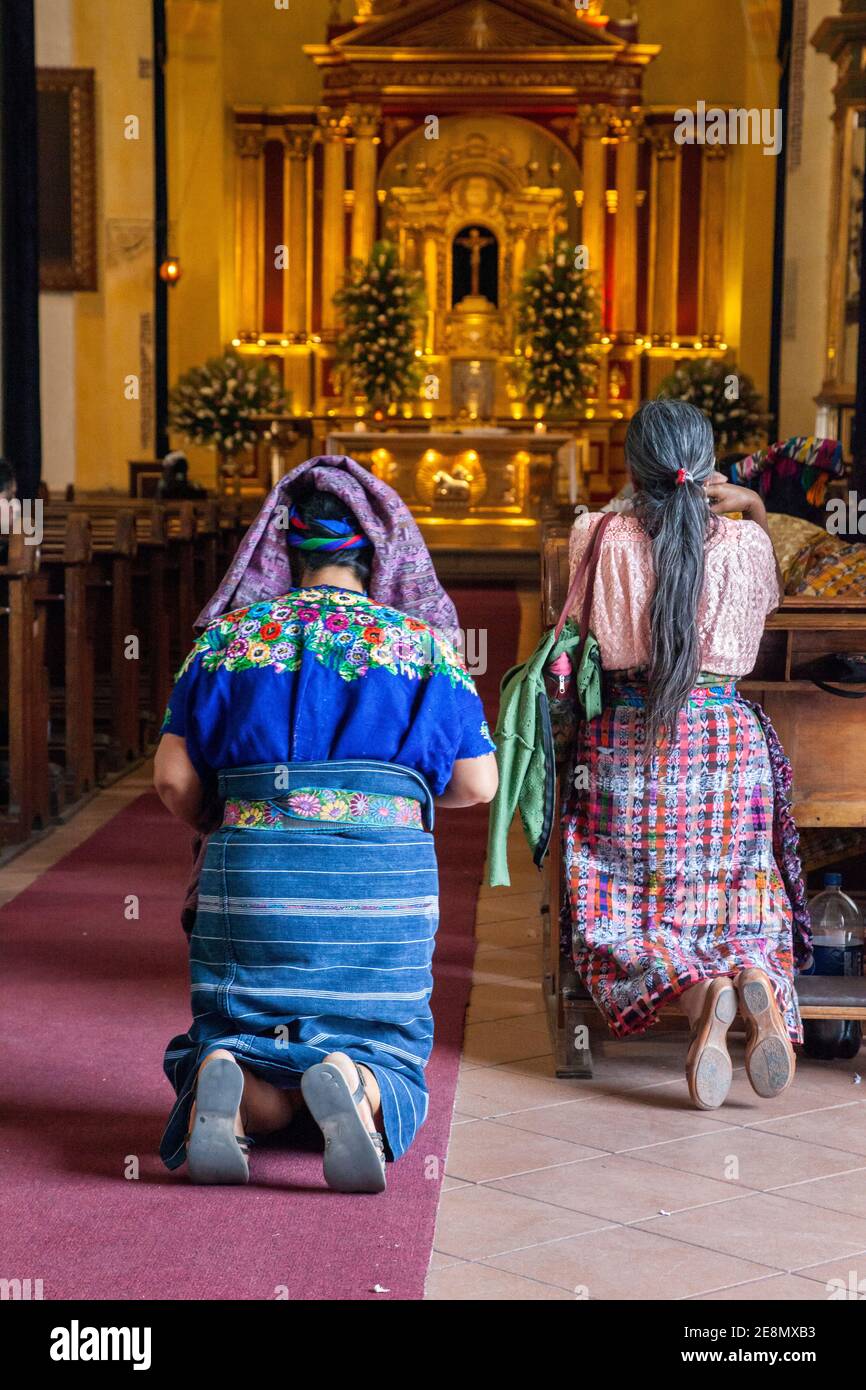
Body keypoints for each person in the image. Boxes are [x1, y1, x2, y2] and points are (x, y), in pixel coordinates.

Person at [154, 469, 497, 1191]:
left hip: (252, 877)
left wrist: (223, 820)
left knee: (241, 1025)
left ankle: (233, 1072)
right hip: (378, 887)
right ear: (375, 553)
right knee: (386, 1040)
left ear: (287, 549)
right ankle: (357, 1076)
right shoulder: (423, 646)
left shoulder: (228, 639)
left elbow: (172, 780)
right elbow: (477, 783)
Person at [563, 398, 810, 1111]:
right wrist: (755, 506)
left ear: (635, 469)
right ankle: (751, 974)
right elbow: (768, 605)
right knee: (736, 898)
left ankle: (703, 996)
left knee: (619, 908)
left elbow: (579, 625)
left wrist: (634, 503)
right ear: (707, 471)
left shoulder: (599, 535)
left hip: (627, 750)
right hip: (727, 748)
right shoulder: (746, 544)